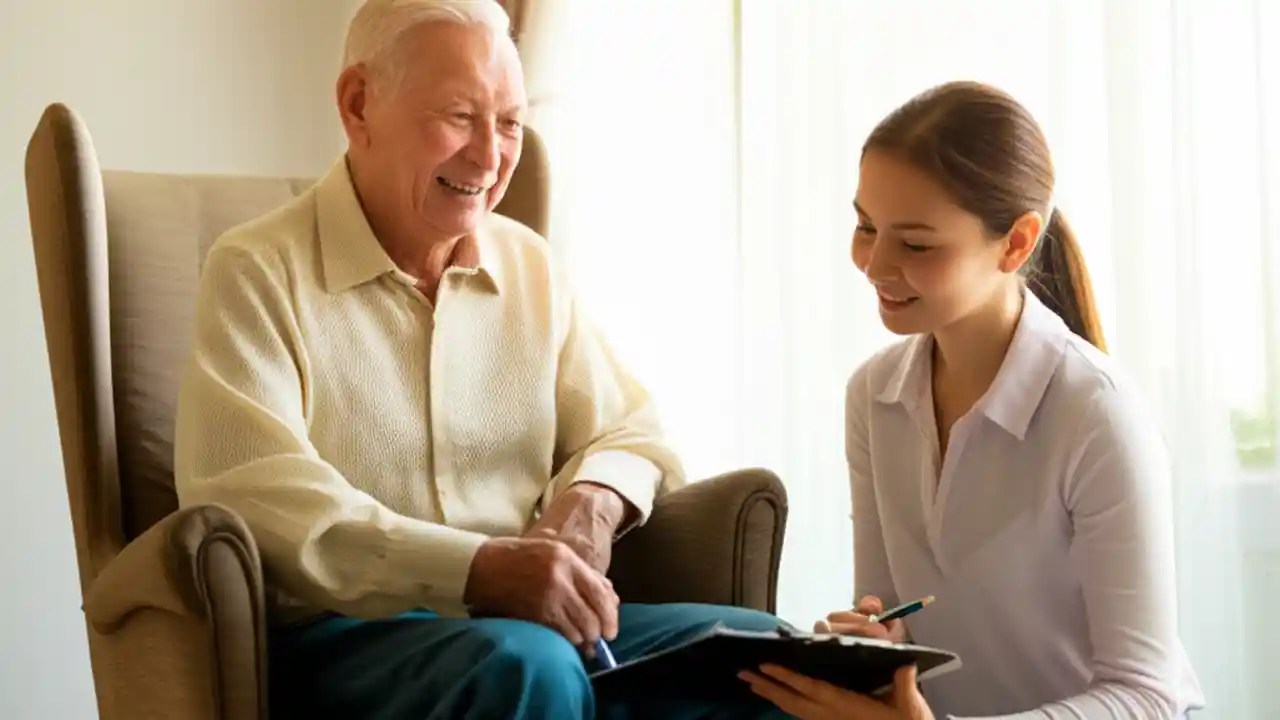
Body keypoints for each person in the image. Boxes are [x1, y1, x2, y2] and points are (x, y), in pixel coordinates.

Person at [173, 1, 786, 717]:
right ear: (358, 104)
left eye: (510, 123)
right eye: (460, 116)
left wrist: (590, 502)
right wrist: (479, 568)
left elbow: (631, 429)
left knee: (767, 657)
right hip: (347, 638)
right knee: (531, 669)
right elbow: (255, 495)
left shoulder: (528, 264)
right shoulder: (256, 269)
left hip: (525, 637)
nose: (490, 156)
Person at [741, 81, 1207, 719]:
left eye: (915, 243)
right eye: (866, 226)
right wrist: (872, 647)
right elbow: (889, 614)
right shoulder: (873, 397)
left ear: (1015, 243)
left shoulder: (1098, 415)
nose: (874, 265)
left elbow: (1147, 697)